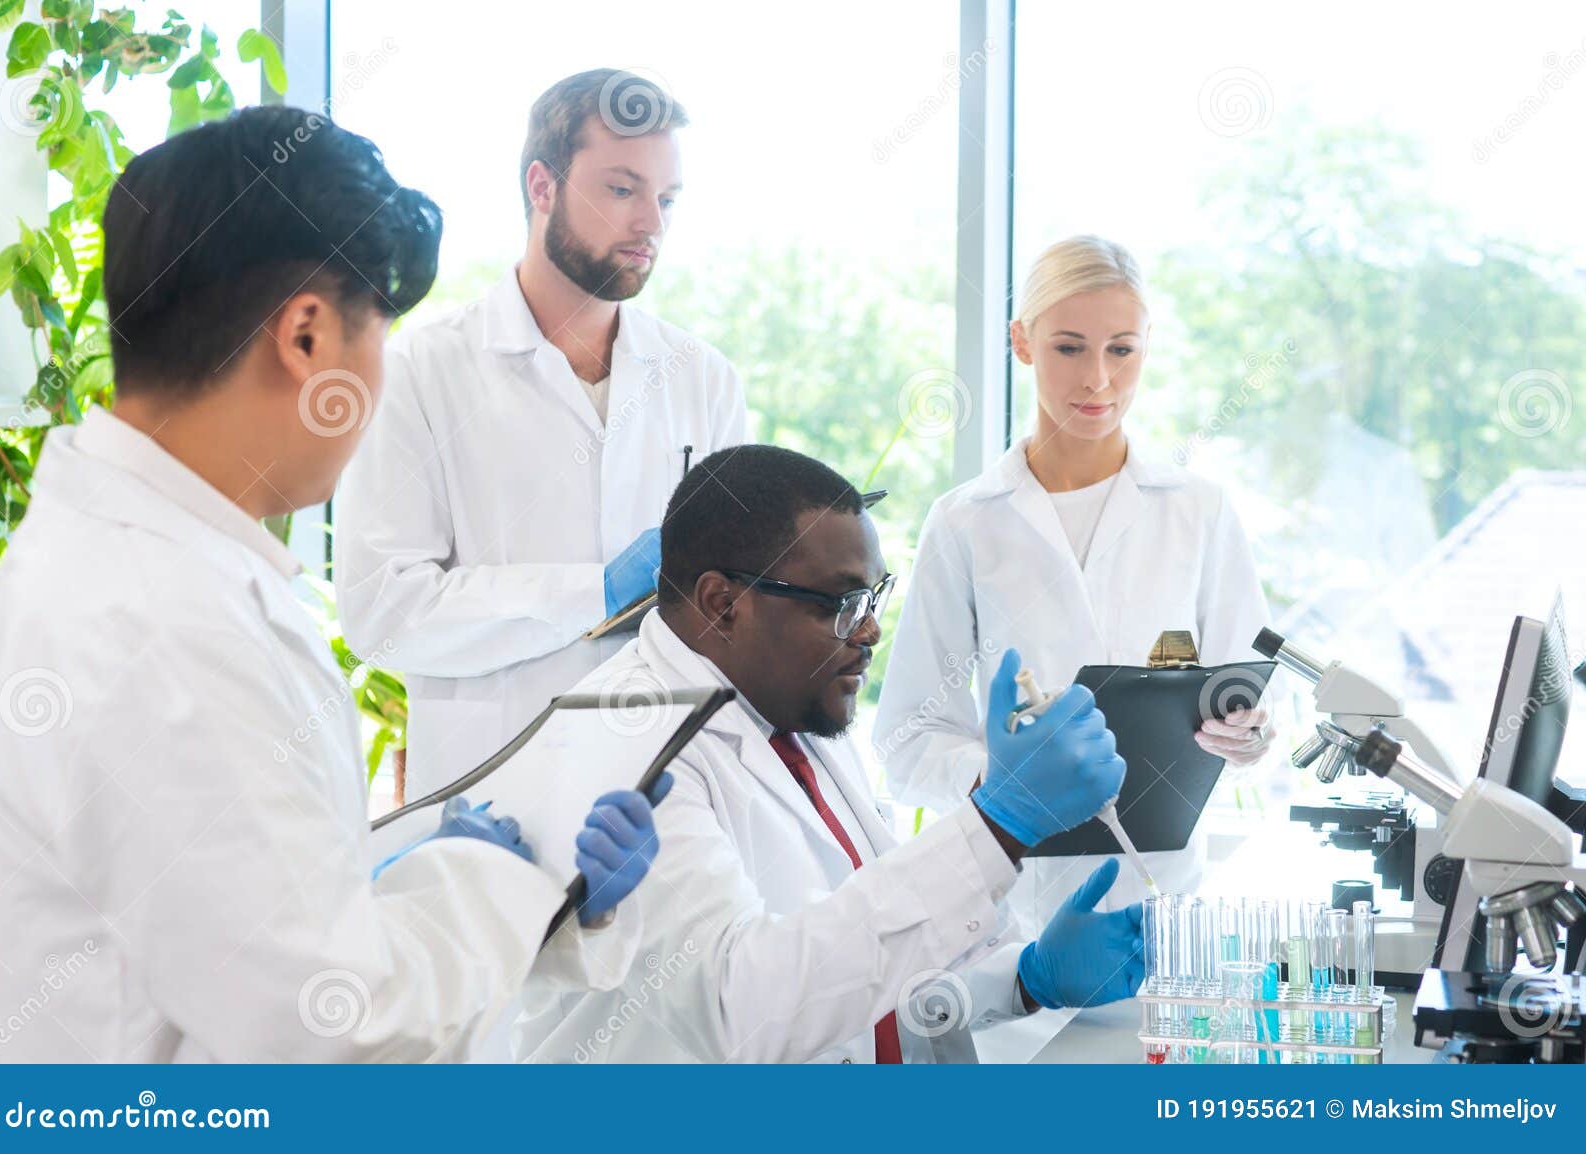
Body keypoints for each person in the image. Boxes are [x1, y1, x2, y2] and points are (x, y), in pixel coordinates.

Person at [0, 107, 666, 1062]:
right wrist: (487, 878)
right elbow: (334, 1029)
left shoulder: (130, 555)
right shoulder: (165, 619)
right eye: (378, 330)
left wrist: (454, 885)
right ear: (306, 337)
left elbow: (256, 941)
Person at [512, 445, 1144, 1063]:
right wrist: (998, 827)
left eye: (873, 597)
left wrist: (1024, 979)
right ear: (722, 604)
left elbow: (865, 964)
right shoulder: (624, 741)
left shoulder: (791, 711)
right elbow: (740, 1015)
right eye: (842, 603)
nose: (869, 630)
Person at [335, 69, 748, 796]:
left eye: (667, 198)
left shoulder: (704, 380)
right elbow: (382, 613)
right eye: (623, 189)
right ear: (542, 186)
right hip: (489, 803)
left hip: (668, 802)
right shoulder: (423, 373)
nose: (651, 223)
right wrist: (594, 594)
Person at [873, 235, 1274, 930]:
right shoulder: (967, 522)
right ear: (1022, 343)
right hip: (1013, 903)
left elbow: (1251, 701)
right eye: (1069, 348)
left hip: (1163, 902)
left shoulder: (1197, 510)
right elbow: (907, 738)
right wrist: (1004, 778)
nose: (1098, 380)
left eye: (1122, 349)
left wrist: (1251, 736)